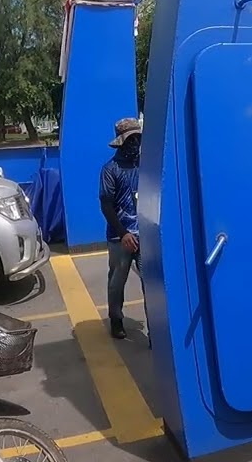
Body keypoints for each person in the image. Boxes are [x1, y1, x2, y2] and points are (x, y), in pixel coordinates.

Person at [101, 117, 142, 340]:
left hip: (145, 236)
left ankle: (157, 326)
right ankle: (116, 319)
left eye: (138, 138)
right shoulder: (110, 170)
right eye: (131, 139)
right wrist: (123, 233)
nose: (135, 144)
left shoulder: (145, 165)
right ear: (121, 142)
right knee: (117, 281)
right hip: (120, 237)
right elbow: (106, 205)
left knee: (151, 280)